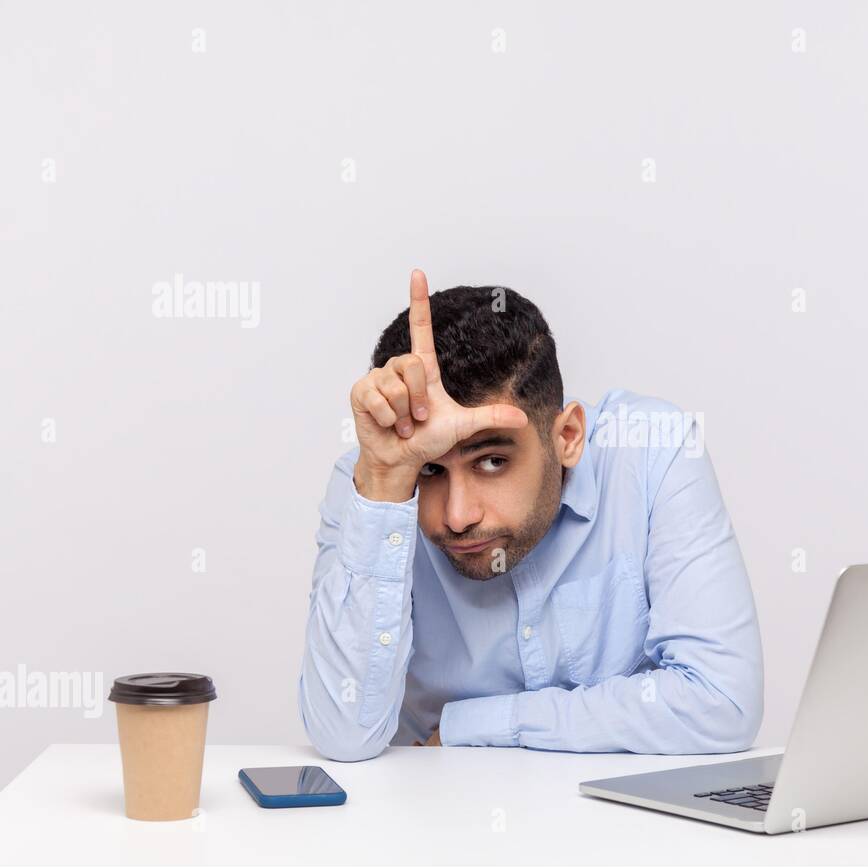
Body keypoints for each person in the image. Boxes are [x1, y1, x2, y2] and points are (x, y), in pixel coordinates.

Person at [298, 270, 763, 758]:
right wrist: (387, 488)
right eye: (431, 468)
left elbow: (722, 701)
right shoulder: (376, 479)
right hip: (433, 818)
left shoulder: (651, 452)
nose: (457, 517)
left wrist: (472, 724)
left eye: (492, 461)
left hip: (625, 825)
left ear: (567, 437)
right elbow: (342, 735)